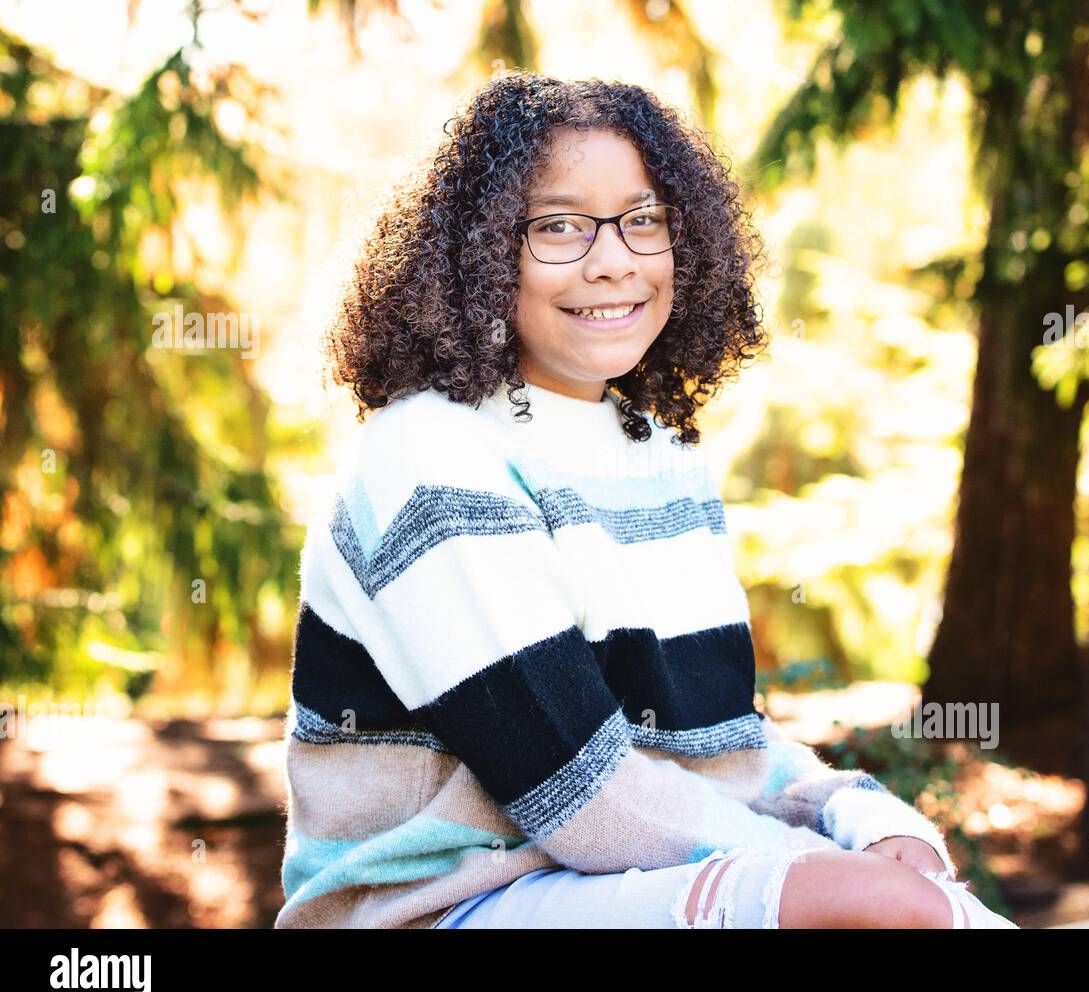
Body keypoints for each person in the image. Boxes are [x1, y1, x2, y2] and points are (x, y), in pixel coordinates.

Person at [275, 72, 1017, 931]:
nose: (614, 259)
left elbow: (717, 750)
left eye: (644, 219)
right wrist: (835, 875)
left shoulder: (660, 460)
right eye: (558, 226)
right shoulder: (430, 455)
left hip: (610, 878)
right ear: (480, 254)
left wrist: (866, 817)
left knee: (895, 890)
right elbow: (582, 794)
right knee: (871, 906)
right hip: (435, 908)